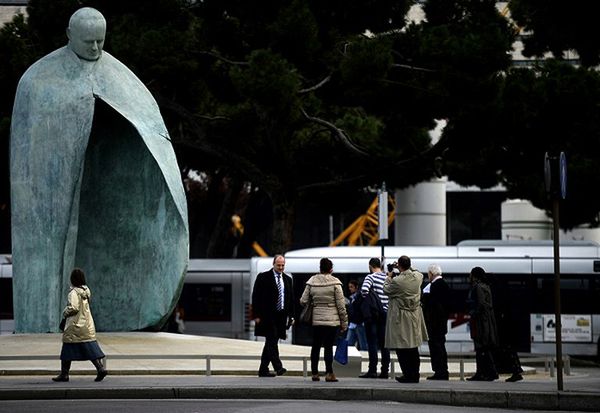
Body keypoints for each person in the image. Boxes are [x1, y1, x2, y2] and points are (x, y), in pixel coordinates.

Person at [10, 7, 188, 333]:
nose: (95, 49)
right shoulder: (37, 80)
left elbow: (153, 134)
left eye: (100, 42)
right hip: (46, 206)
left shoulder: (123, 79)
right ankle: (41, 319)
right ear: (68, 35)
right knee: (50, 245)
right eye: (88, 42)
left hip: (97, 193)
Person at [52, 268, 107, 382]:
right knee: (89, 348)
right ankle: (100, 368)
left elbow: (74, 308)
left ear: (72, 279)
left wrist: (64, 312)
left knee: (67, 350)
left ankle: (64, 374)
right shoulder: (86, 291)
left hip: (74, 326)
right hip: (86, 325)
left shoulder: (73, 293)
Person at [300, 258, 348, 382]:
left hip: (316, 320)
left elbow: (303, 300)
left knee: (315, 346)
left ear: (320, 268)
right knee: (328, 347)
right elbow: (341, 306)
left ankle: (315, 373)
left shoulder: (312, 281)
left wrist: (315, 301)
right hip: (332, 321)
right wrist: (344, 323)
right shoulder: (336, 283)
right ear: (331, 269)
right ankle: (329, 373)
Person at [384, 255, 428, 383]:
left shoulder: (397, 281)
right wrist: (401, 267)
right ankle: (415, 374)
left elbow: (386, 289)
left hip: (401, 317)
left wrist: (389, 276)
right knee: (413, 348)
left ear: (399, 265)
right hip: (414, 316)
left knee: (401, 347)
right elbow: (414, 271)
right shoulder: (418, 277)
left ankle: (407, 374)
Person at [251, 255, 294, 377]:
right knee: (272, 340)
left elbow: (290, 299)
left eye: (282, 265)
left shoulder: (287, 279)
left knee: (271, 342)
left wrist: (291, 316)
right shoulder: (263, 277)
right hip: (267, 316)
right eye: (278, 265)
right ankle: (278, 367)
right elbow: (256, 297)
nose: (281, 267)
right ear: (273, 264)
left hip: (281, 316)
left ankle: (263, 369)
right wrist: (256, 315)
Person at [359, 258, 390, 378]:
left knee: (372, 343)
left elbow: (364, 290)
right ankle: (384, 371)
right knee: (384, 344)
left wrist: (372, 302)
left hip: (373, 315)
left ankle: (372, 370)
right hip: (385, 314)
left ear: (370, 266)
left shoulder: (370, 277)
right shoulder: (387, 277)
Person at [466, 266, 499, 381]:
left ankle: (483, 373)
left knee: (480, 347)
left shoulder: (478, 287)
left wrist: (473, 313)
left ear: (474, 276)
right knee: (484, 348)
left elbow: (480, 304)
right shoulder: (486, 286)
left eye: (470, 274)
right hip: (487, 321)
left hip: (480, 322)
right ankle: (489, 372)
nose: (469, 277)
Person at [490, 275, 524, 382]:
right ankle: (516, 370)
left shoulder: (498, 296)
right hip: (509, 327)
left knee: (508, 350)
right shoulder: (506, 294)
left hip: (505, 329)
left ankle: (516, 370)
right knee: (510, 350)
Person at [422, 263, 451, 380]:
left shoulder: (433, 286)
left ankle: (439, 372)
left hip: (434, 324)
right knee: (441, 347)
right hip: (441, 323)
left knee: (436, 348)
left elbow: (430, 305)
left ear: (431, 273)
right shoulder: (445, 285)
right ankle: (443, 371)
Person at [346, 280, 368, 351]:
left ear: (356, 287)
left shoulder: (360, 297)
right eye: (349, 287)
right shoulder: (351, 298)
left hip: (359, 323)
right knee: (349, 343)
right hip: (353, 323)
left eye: (351, 287)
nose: (350, 289)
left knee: (362, 344)